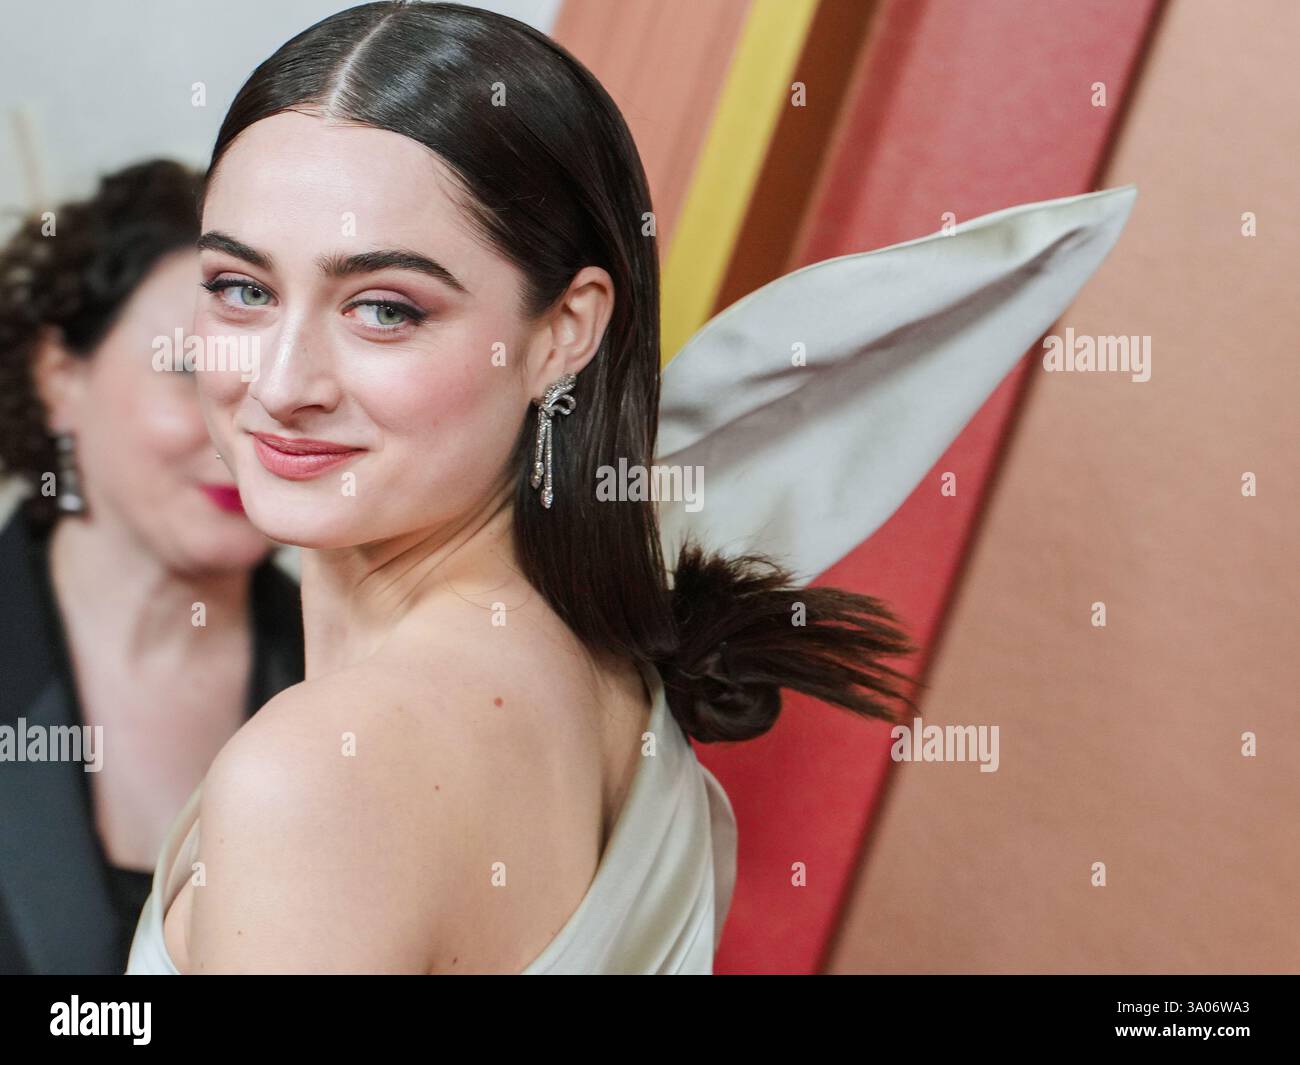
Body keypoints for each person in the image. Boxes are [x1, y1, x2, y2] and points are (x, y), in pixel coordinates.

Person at [123, 1, 919, 975]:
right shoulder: (608, 685)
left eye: (384, 308)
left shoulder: (325, 772)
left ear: (564, 331)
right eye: (242, 289)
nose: (283, 385)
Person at [0, 159, 304, 974]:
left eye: (275, 387)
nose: (239, 432)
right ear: (60, 377)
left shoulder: (349, 682)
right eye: (191, 374)